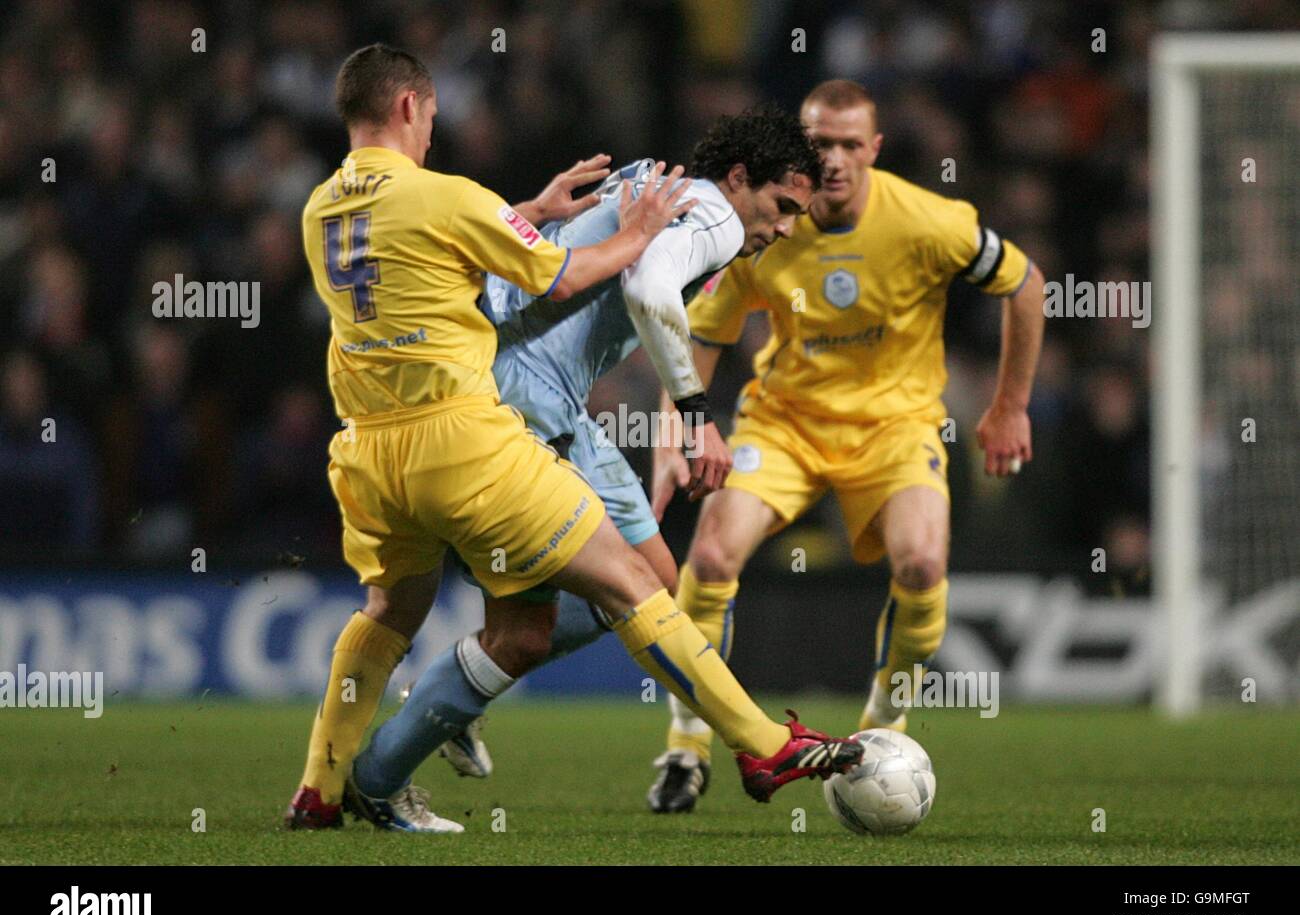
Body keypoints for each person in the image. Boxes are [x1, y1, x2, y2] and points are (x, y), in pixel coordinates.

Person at [286, 45, 862, 832]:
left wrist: (531, 215)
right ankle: (762, 746)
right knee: (616, 591)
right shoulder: (716, 216)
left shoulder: (329, 205)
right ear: (739, 179)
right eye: (785, 207)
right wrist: (693, 416)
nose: (787, 228)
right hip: (506, 405)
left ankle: (415, 725)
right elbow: (645, 283)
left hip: (436, 418)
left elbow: (452, 260)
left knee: (613, 593)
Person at [641, 79, 1046, 812]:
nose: (832, 159)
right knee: (709, 554)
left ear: (875, 148)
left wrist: (1009, 407)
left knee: (922, 563)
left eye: (849, 144)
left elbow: (1026, 284)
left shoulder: (929, 221)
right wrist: (678, 427)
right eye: (819, 142)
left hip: (896, 429)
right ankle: (685, 747)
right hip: (785, 423)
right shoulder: (767, 225)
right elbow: (700, 333)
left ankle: (882, 732)